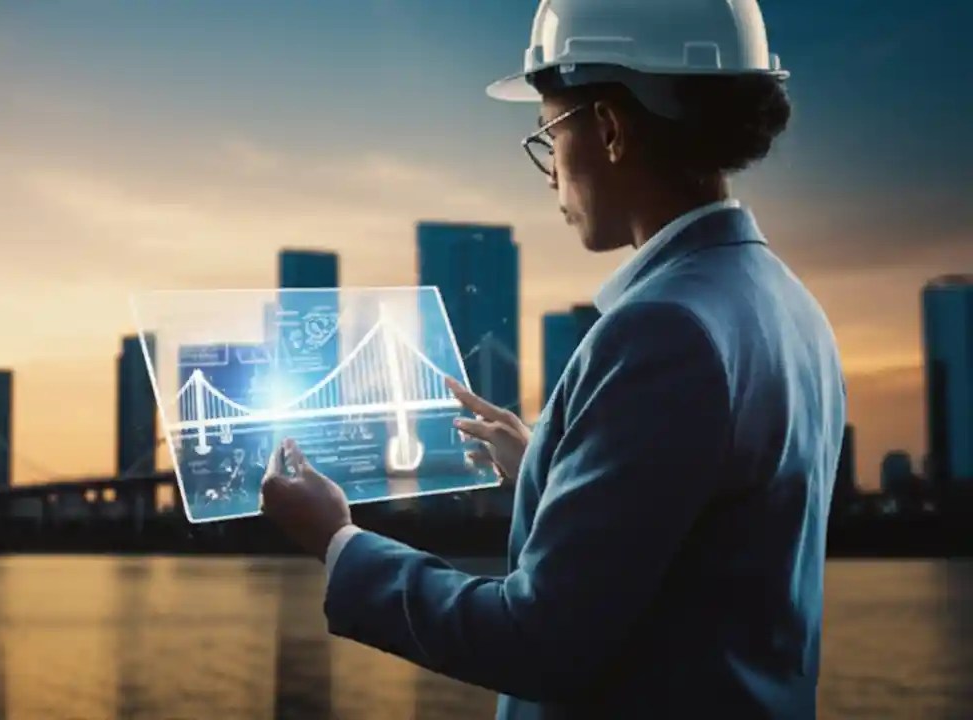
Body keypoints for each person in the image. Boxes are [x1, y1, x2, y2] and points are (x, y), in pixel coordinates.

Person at [260, 0, 846, 717]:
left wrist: (339, 540)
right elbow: (705, 534)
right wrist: (547, 461)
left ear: (608, 129)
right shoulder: (789, 306)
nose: (546, 170)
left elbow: (536, 640)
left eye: (547, 131)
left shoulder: (662, 333)